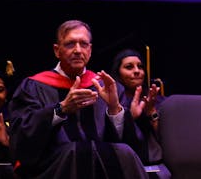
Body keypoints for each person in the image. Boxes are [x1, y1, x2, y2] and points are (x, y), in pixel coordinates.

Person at [8, 19, 149, 178]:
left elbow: (133, 144)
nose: (77, 50)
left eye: (83, 44)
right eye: (70, 44)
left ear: (90, 49)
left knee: (124, 153)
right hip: (56, 165)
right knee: (74, 152)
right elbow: (21, 136)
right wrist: (61, 109)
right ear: (57, 50)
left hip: (103, 164)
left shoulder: (106, 86)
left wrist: (115, 109)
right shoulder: (34, 86)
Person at [110, 49, 170, 179]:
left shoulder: (157, 100)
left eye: (140, 67)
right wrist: (130, 118)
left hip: (156, 167)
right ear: (118, 74)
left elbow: (169, 140)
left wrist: (151, 113)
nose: (137, 71)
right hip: (123, 169)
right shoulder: (113, 104)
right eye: (129, 67)